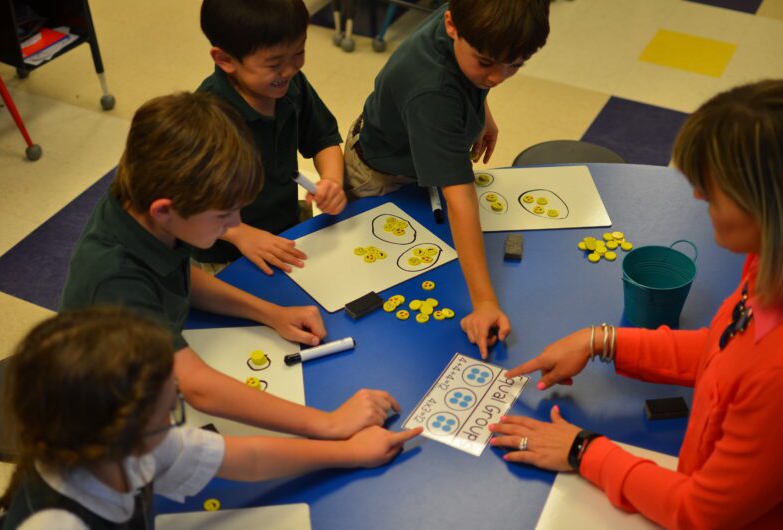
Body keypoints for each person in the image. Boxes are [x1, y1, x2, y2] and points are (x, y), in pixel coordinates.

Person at [493, 80, 783, 529]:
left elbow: (699, 512)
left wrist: (584, 450)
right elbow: (724, 350)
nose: (698, 196)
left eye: (714, 186)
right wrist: (600, 340)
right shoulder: (766, 261)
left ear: (768, 204)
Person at [59, 92, 398, 443]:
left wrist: (270, 313)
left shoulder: (143, 205)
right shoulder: (115, 281)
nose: (235, 225)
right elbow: (198, 388)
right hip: (109, 420)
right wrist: (328, 424)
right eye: (223, 216)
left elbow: (174, 275)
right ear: (164, 210)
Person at [0, 308, 420, 529]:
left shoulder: (125, 444)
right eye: (170, 406)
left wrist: (350, 452)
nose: (177, 409)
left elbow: (247, 458)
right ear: (124, 432)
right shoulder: (56, 522)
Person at [343, 0, 550, 358]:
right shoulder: (432, 93)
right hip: (379, 176)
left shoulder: (475, 19)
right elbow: (459, 201)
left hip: (414, 147)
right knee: (388, 283)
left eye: (515, 65)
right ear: (452, 25)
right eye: (486, 64)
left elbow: (473, 70)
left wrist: (479, 111)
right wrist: (484, 302)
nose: (498, 77)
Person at [197, 0, 347, 274]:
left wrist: (332, 181)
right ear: (225, 59)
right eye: (274, 63)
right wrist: (240, 234)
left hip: (285, 228)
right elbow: (187, 204)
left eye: (298, 53)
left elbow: (323, 138)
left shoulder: (291, 84)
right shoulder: (205, 118)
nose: (289, 70)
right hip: (223, 251)